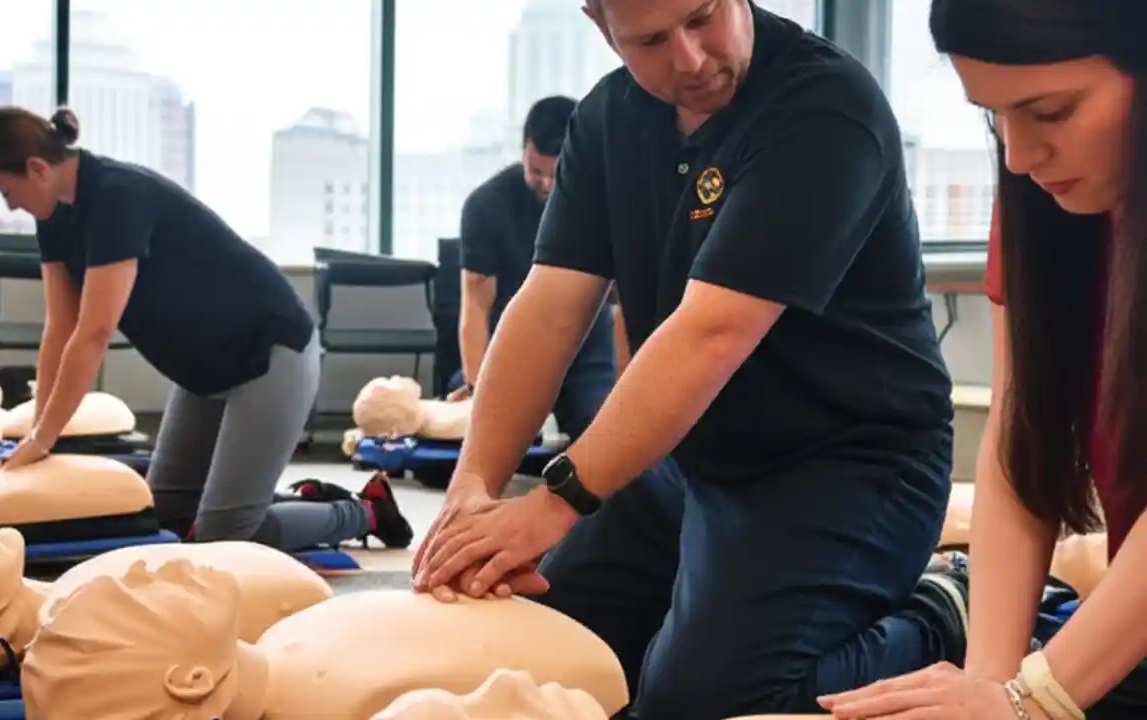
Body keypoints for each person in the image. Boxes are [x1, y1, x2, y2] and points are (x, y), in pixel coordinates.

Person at [411, 1, 969, 717]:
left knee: (700, 704)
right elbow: (550, 306)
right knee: (552, 647)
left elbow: (713, 332)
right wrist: (473, 489)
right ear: (599, 26)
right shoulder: (608, 120)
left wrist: (557, 503)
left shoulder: (824, 109)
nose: (691, 58)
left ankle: (938, 612)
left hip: (849, 462)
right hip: (691, 456)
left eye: (704, 16)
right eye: (649, 40)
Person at [818, 1, 1147, 719]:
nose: (1019, 157)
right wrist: (989, 687)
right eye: (992, 116)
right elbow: (1018, 437)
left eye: (1052, 112)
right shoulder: (1043, 210)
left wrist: (1033, 700)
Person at [0, 106, 413, 554]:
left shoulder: (115, 197)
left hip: (269, 354)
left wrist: (44, 440)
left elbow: (93, 332)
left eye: (6, 192)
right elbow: (59, 328)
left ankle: (365, 511)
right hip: (203, 370)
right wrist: (38, 436)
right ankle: (293, 503)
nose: (9, 205)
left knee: (226, 533)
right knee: (168, 515)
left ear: (37, 169)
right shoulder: (54, 218)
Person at [449, 95, 617, 440]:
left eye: (556, 175)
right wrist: (475, 384)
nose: (545, 184)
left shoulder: (608, 200)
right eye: (535, 171)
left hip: (586, 357)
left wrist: (629, 389)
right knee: (473, 436)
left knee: (609, 445)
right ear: (524, 149)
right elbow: (476, 302)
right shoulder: (486, 205)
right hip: (510, 351)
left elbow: (626, 304)